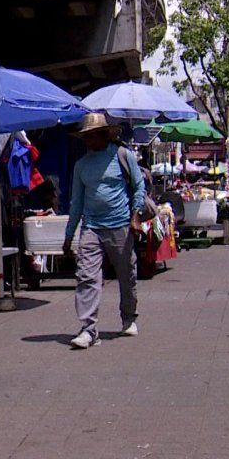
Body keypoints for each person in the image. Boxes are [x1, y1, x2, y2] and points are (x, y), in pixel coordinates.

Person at [63, 113, 146, 349]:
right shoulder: (81, 165)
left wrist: (136, 214)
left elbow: (139, 185)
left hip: (120, 225)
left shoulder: (122, 156)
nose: (88, 141)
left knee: (126, 275)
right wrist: (69, 236)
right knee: (86, 277)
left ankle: (129, 317)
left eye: (92, 136)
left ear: (104, 135)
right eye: (85, 137)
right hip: (91, 227)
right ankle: (88, 329)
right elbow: (76, 203)